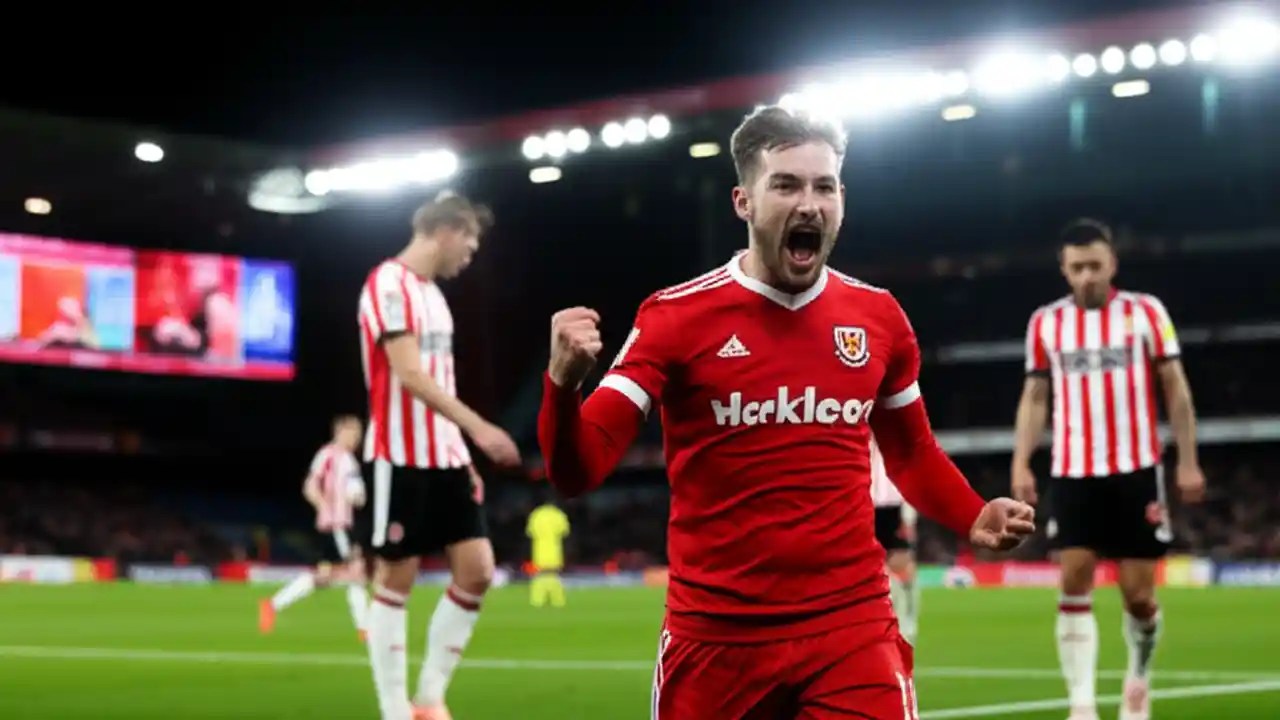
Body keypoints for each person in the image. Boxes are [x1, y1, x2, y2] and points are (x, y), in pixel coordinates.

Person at [537, 104, 1036, 719]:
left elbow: (910, 452)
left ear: (842, 199)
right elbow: (577, 469)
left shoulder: (879, 319)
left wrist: (973, 512)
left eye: (824, 186)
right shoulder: (673, 318)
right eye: (786, 184)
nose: (809, 204)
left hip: (851, 629)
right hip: (714, 640)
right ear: (743, 202)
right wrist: (562, 390)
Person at [1011, 218, 1206, 720]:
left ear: (1112, 263)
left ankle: (1138, 678)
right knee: (1073, 576)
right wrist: (1021, 463)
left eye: (1095, 266)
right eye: (1077, 268)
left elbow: (1176, 388)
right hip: (1073, 472)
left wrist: (1188, 460)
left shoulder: (1145, 312)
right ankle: (1081, 705)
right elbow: (1035, 396)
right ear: (1063, 269)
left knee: (1138, 597)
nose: (1087, 277)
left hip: (1136, 470)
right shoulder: (1046, 322)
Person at [357, 191, 522, 720]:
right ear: (446, 229)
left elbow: (441, 379)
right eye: (469, 243)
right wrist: (478, 429)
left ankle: (429, 699)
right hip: (399, 456)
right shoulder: (387, 283)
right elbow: (409, 374)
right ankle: (393, 710)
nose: (468, 255)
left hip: (445, 457)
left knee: (477, 571)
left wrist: (462, 454)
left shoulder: (433, 295)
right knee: (396, 580)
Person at [259, 415, 370, 640]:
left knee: (326, 576)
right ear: (340, 432)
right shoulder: (328, 456)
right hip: (336, 525)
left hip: (344, 524)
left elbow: (355, 494)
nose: (356, 439)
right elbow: (310, 485)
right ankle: (365, 628)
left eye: (358, 435)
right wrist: (324, 507)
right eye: (353, 434)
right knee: (355, 572)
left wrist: (357, 498)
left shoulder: (348, 459)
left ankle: (272, 605)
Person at [869, 436, 920, 646]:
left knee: (903, 567)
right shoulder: (854, 424)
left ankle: (909, 620)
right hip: (866, 505)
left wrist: (909, 516)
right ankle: (883, 619)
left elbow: (909, 472)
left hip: (893, 505)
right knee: (874, 569)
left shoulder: (893, 432)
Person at [526, 492, 570, 608]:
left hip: (539, 551)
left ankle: (537, 601)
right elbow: (565, 532)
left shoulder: (536, 514)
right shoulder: (558, 514)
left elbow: (530, 532)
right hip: (555, 550)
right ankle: (558, 601)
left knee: (540, 575)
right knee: (553, 575)